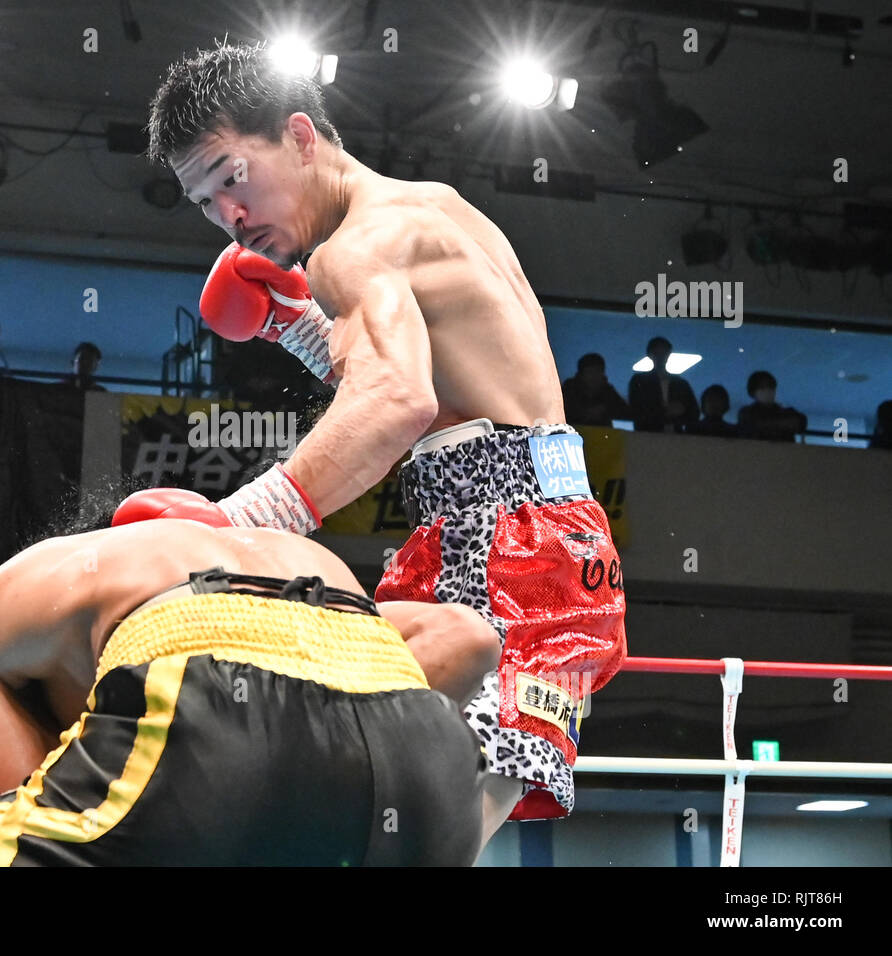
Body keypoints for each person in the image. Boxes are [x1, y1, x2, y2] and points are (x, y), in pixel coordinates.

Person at [129, 41, 628, 825]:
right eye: (203, 202)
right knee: (386, 804)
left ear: (299, 136)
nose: (228, 215)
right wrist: (296, 329)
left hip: (496, 544)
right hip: (552, 538)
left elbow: (397, 398)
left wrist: (237, 525)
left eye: (232, 177)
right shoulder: (436, 207)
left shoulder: (352, 252)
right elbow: (441, 378)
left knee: (403, 816)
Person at [0, 514, 500, 866]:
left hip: (210, 710)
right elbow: (470, 636)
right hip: (429, 765)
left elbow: (16, 807)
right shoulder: (291, 557)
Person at [626, 337, 698, 433]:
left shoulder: (681, 384)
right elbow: (636, 410)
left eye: (663, 353)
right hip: (649, 435)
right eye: (657, 353)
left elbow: (694, 412)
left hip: (665, 436)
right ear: (650, 355)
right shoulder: (639, 381)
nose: (661, 357)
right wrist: (668, 412)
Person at [735, 371, 808, 442]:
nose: (767, 390)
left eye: (770, 386)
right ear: (752, 392)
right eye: (762, 387)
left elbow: (801, 422)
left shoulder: (787, 412)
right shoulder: (746, 412)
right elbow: (752, 426)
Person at [561, 353, 630, 427]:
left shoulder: (608, 391)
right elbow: (561, 414)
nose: (594, 376)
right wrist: (585, 414)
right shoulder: (569, 389)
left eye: (598, 371)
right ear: (581, 374)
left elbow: (626, 414)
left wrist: (606, 409)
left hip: (604, 436)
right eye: (590, 372)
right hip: (573, 435)